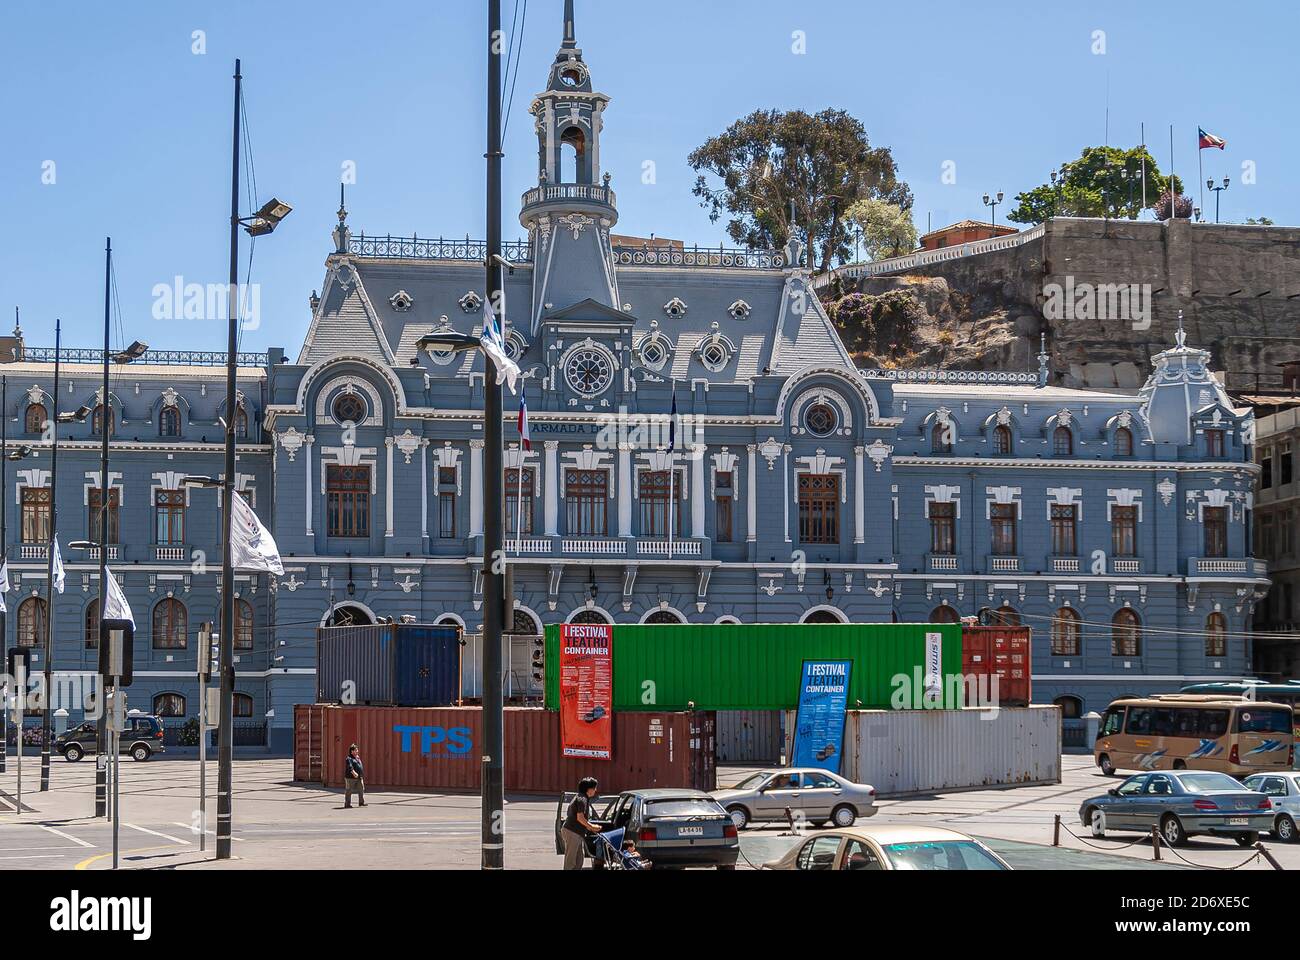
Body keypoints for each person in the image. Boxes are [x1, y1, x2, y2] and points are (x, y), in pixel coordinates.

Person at [561, 776, 601, 870]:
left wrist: (590, 827)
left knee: (579, 859)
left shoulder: (582, 797)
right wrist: (591, 826)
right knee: (570, 861)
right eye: (594, 788)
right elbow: (580, 818)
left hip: (577, 833)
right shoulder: (582, 799)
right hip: (572, 832)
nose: (595, 790)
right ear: (589, 789)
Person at [344, 743, 366, 808]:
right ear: (352, 751)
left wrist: (361, 776)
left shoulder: (357, 758)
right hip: (350, 778)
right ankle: (347, 804)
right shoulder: (349, 758)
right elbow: (350, 767)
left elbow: (359, 766)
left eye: (357, 750)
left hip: (359, 777)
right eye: (356, 750)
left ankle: (361, 803)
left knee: (361, 789)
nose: (357, 751)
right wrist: (354, 773)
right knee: (349, 790)